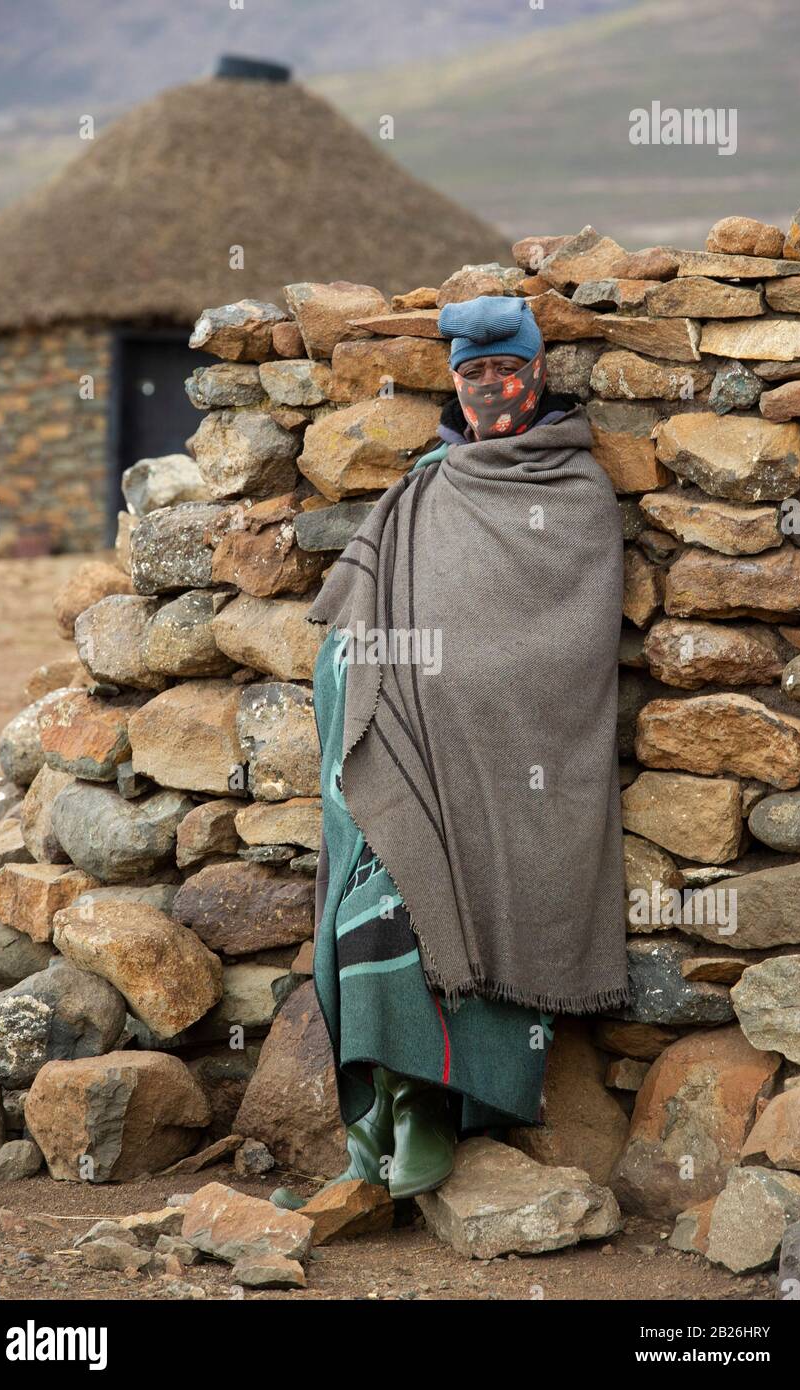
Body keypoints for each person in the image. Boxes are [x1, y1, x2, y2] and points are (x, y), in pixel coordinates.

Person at [271, 295, 629, 1211]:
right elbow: (367, 614)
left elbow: (565, 644)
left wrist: (472, 678)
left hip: (518, 760)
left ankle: (441, 1111)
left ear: (537, 373)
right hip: (408, 742)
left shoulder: (573, 492)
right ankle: (384, 1116)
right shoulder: (429, 482)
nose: (489, 392)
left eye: (505, 374)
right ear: (457, 384)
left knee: (474, 883)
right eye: (472, 378)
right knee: (375, 896)